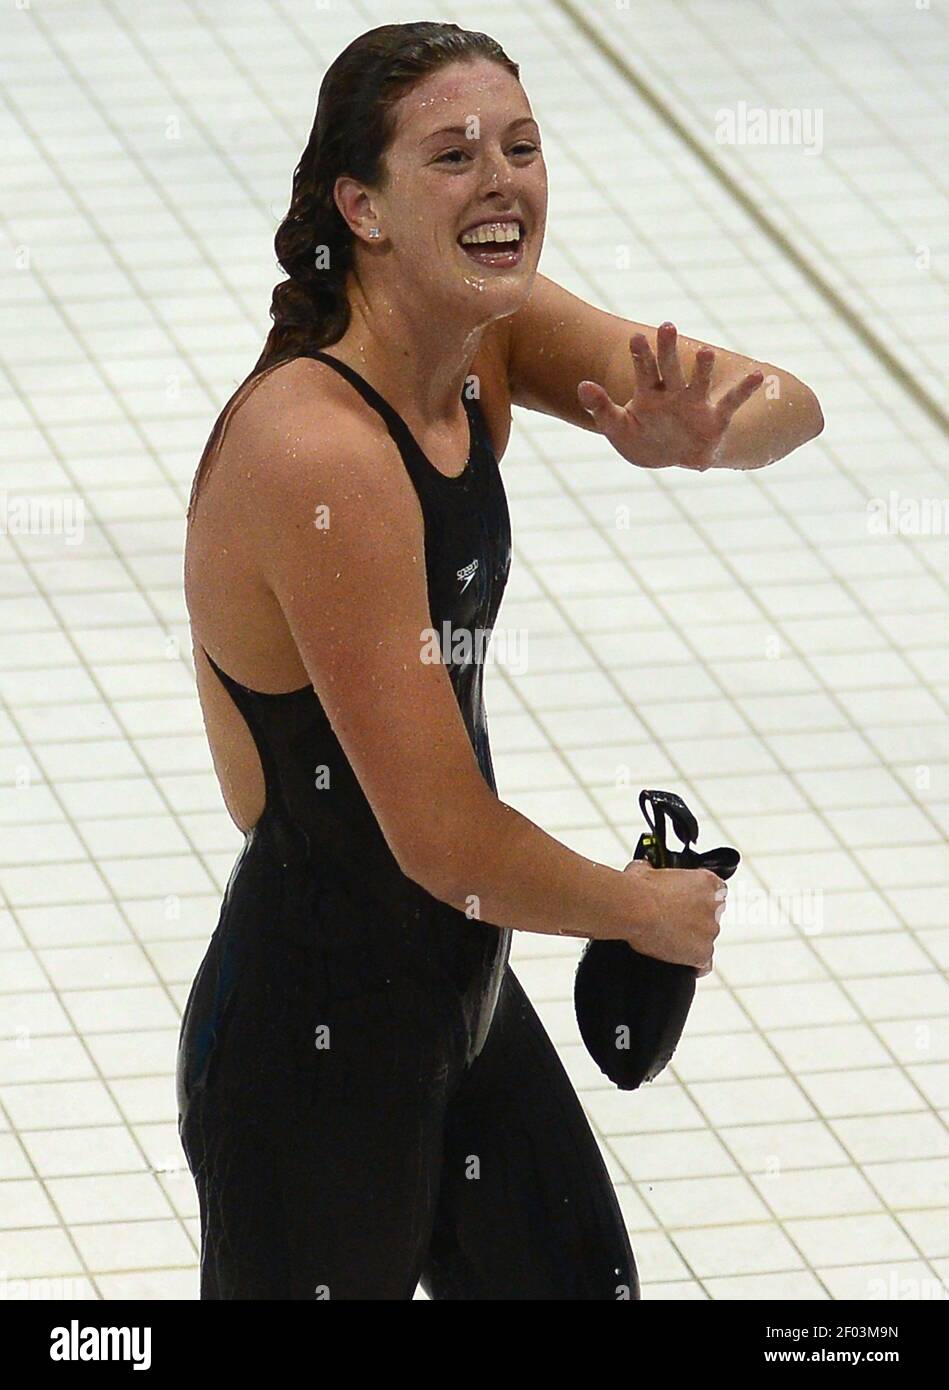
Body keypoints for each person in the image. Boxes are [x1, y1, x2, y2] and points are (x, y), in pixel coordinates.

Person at [176, 21, 823, 1300]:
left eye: (521, 147)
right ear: (360, 207)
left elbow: (786, 401)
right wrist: (641, 907)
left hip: (455, 991)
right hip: (315, 1045)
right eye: (454, 154)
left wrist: (705, 434)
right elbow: (441, 840)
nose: (503, 180)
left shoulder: (485, 340)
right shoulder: (322, 457)